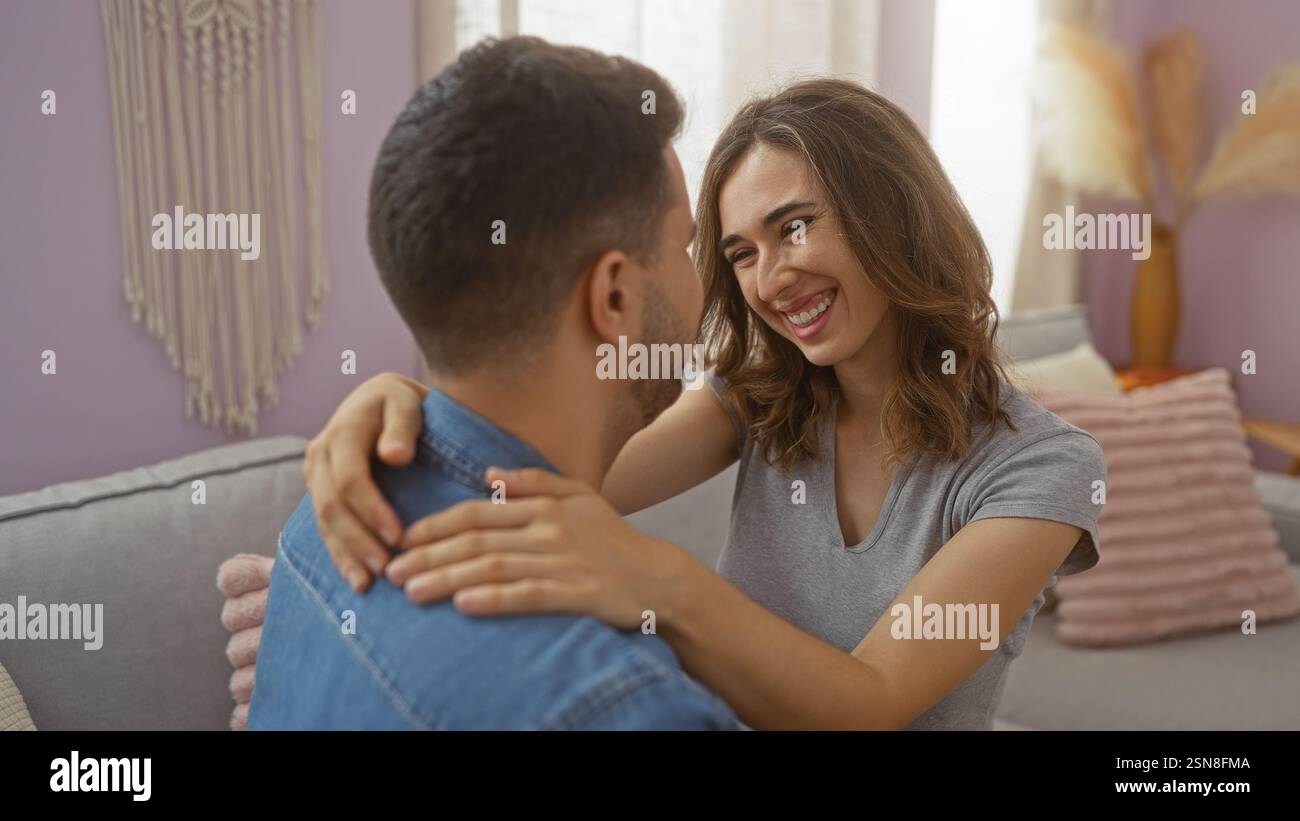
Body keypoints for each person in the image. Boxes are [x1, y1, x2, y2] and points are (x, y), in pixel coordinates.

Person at [306, 78, 1107, 730]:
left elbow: (872, 699)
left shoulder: (1039, 467)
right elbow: (533, 469)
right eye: (741, 253)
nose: (769, 280)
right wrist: (400, 401)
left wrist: (662, 578)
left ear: (894, 211)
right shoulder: (755, 398)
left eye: (794, 227)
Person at [248, 36, 738, 730]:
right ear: (616, 298)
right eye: (687, 248)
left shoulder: (321, 524)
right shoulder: (628, 706)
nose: (712, 288)